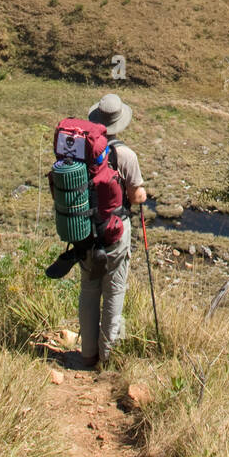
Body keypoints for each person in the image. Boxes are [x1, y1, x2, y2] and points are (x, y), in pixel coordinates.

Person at [76, 93, 147, 369]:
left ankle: (86, 354)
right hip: (115, 231)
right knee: (114, 290)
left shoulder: (80, 151)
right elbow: (136, 195)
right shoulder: (126, 155)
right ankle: (107, 358)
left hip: (85, 229)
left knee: (89, 289)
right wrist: (141, 193)